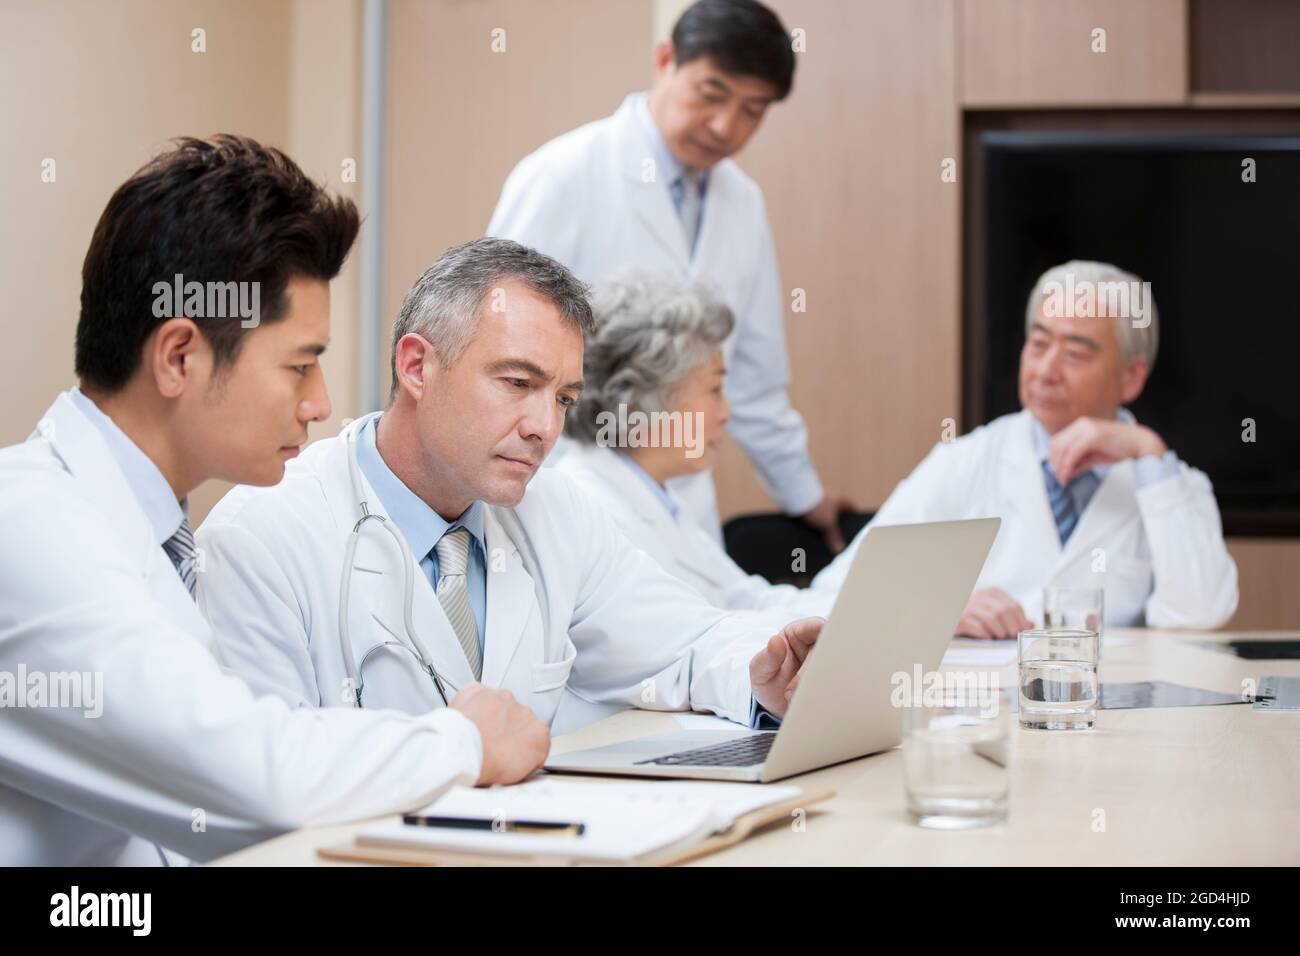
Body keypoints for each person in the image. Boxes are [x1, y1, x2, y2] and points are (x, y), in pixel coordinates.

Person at [0, 136, 552, 866]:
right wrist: (463, 742)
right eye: (299, 366)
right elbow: (249, 777)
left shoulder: (142, 528)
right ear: (179, 356)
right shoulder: (29, 523)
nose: (320, 403)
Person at [196, 238, 823, 737]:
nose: (544, 427)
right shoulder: (261, 535)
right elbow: (263, 783)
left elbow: (685, 643)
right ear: (416, 367)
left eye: (564, 398)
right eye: (517, 383)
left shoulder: (557, 514)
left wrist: (763, 672)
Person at [486, 0, 851, 550]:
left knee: (716, 623)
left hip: (678, 503)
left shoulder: (742, 204)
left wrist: (805, 499)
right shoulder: (564, 173)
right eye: (712, 95)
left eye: (753, 110)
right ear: (665, 60)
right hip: (561, 486)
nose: (726, 125)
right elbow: (495, 344)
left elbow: (754, 377)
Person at [813, 260, 1239, 636]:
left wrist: (1147, 450)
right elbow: (838, 591)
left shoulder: (1170, 483)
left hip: (1113, 716)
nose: (1045, 370)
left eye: (1074, 352)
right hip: (982, 716)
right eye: (1038, 344)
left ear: (1131, 378)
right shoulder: (967, 461)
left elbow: (1199, 614)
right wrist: (940, 609)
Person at [558, 269, 829, 615]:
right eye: (715, 390)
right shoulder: (595, 512)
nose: (725, 414)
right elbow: (693, 640)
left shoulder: (662, 501)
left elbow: (746, 600)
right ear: (654, 395)